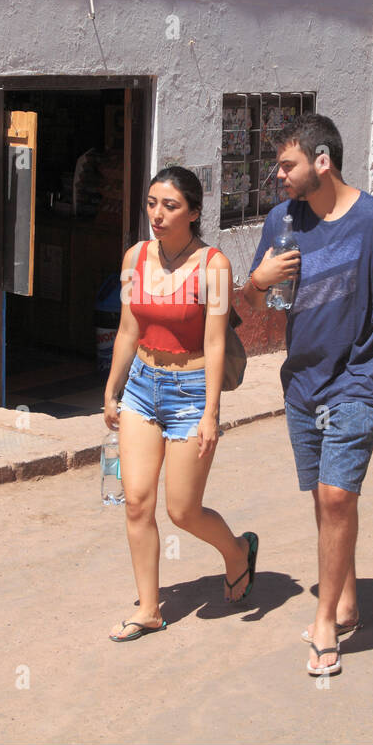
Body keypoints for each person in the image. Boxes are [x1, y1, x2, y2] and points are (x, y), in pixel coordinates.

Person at [245, 114, 373, 677]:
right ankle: (349, 597)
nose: (278, 176)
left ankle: (327, 620)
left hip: (361, 378)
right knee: (325, 498)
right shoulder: (282, 221)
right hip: (303, 381)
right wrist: (258, 282)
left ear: (322, 162)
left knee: (336, 497)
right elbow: (252, 309)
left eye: (287, 165)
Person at [103, 167, 257, 641]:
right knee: (136, 503)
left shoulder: (213, 264)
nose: (157, 214)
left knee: (183, 510)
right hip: (142, 386)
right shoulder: (135, 256)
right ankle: (149, 608)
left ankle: (236, 552)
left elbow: (215, 343)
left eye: (169, 206)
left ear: (193, 212)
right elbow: (129, 329)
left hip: (190, 391)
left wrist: (211, 413)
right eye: (151, 203)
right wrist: (112, 389)